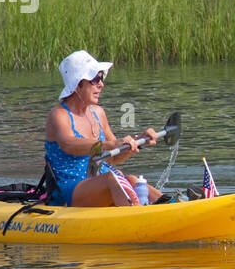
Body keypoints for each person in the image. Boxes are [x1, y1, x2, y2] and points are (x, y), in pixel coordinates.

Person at [44, 51, 161, 207]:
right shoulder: (59, 115)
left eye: (101, 77)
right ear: (78, 84)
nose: (101, 84)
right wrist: (109, 145)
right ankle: (139, 215)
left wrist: (138, 141)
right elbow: (69, 144)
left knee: (132, 180)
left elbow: (113, 158)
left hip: (102, 181)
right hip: (70, 189)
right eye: (95, 78)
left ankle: (176, 204)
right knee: (111, 178)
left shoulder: (98, 113)